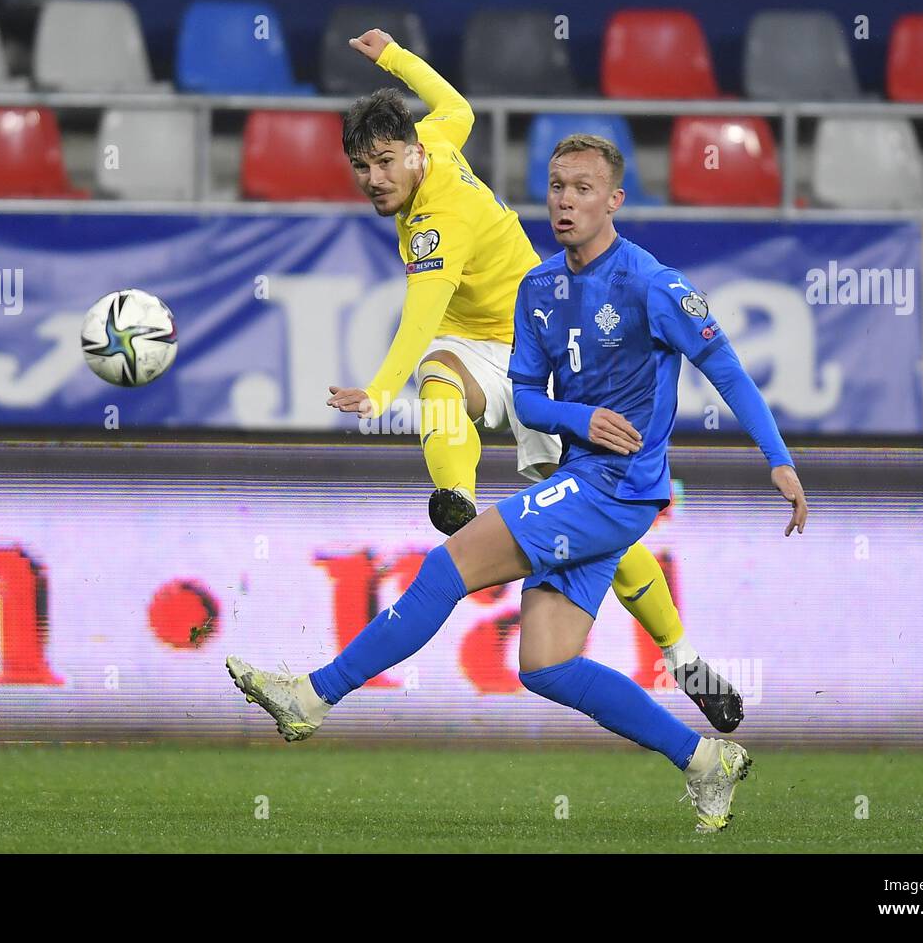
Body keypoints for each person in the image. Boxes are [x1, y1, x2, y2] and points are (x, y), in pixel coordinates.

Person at [229, 130, 809, 833]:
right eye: (558, 187)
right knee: (545, 662)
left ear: (614, 200)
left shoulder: (654, 286)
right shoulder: (538, 287)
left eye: (583, 190)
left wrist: (777, 458)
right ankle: (702, 760)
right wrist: (581, 417)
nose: (566, 202)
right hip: (585, 472)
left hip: (617, 487)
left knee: (448, 568)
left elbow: (728, 370)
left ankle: (313, 696)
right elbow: (527, 398)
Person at [325, 28, 742, 729]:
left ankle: (683, 655)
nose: (375, 179)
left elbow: (422, 313)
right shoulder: (442, 141)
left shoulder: (438, 223)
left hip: (541, 354)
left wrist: (376, 387)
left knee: (597, 529)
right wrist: (394, 58)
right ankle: (454, 498)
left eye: (386, 161)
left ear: (415, 153)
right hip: (486, 340)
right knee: (441, 380)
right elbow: (456, 103)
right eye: (363, 166)